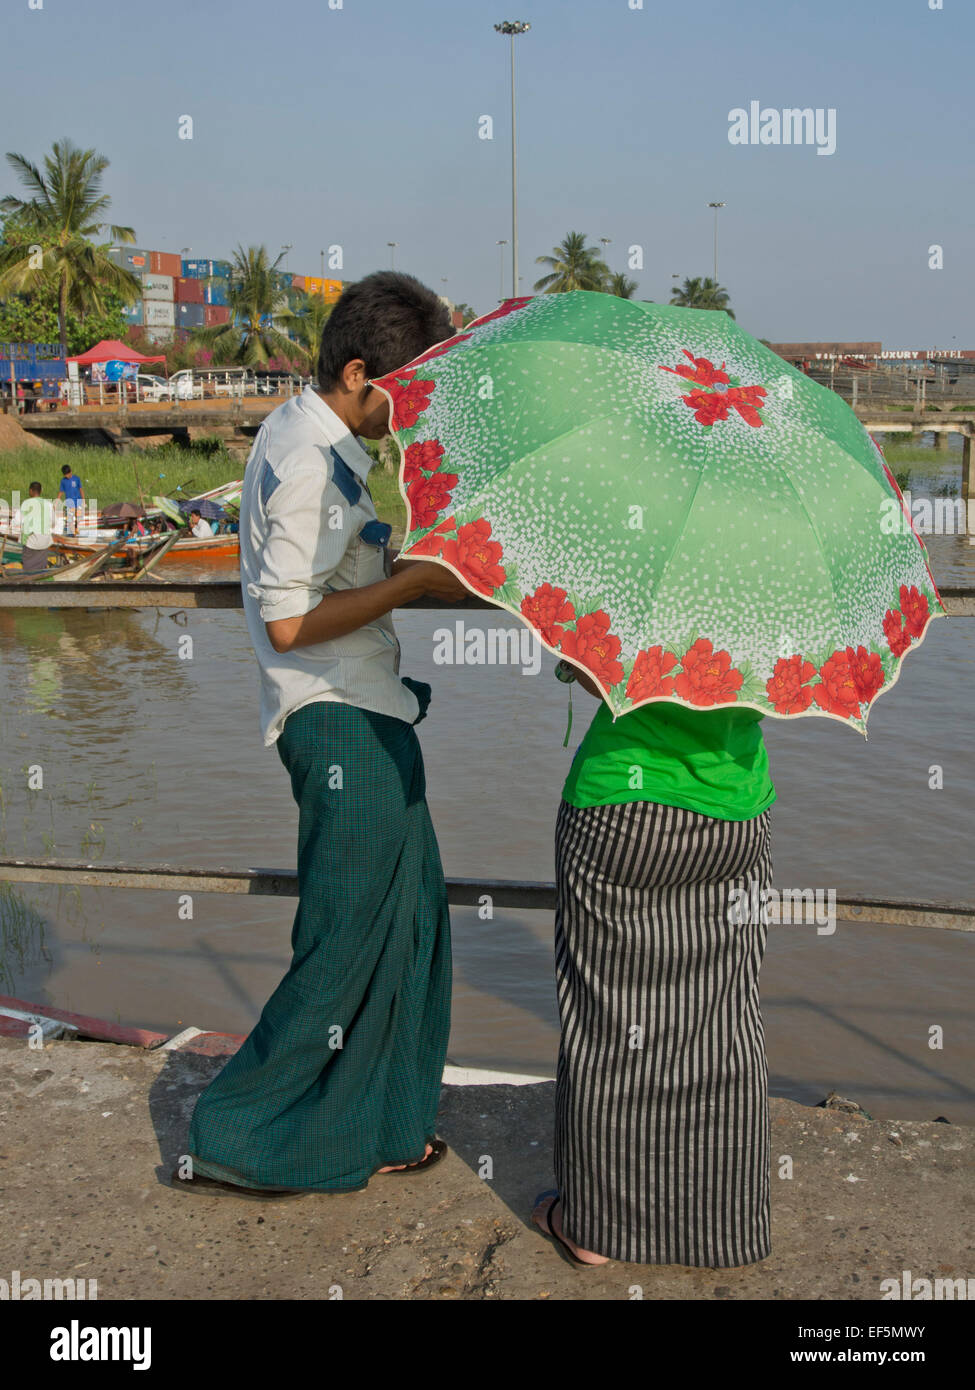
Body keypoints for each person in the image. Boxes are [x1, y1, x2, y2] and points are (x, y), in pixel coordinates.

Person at [181, 271, 467, 1197]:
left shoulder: (313, 432)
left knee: (408, 922)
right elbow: (289, 623)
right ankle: (239, 1130)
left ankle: (381, 1124)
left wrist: (425, 570)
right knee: (345, 938)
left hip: (370, 708)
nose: (410, 412)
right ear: (356, 371)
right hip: (335, 720)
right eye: (404, 391)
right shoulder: (310, 460)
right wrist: (412, 588)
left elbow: (339, 568)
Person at [533, 660, 776, 1268]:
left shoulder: (635, 563)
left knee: (609, 1014)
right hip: (735, 807)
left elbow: (599, 674)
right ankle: (724, 1225)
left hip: (621, 804)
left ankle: (592, 1230)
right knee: (723, 1015)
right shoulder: (781, 580)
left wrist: (569, 662)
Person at [18, 481, 54, 575]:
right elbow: (53, 522)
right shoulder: (49, 504)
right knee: (40, 566)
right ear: (41, 491)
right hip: (45, 541)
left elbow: (18, 520)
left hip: (31, 542)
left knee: (28, 567)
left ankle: (28, 580)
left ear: (30, 491)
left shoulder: (26, 503)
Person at [58, 464, 84, 536]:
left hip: (78, 501)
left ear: (71, 471)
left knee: (78, 517)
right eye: (65, 475)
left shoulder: (76, 479)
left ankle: (76, 529)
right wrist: (57, 500)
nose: (67, 476)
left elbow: (80, 489)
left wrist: (83, 500)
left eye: (68, 474)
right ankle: (72, 533)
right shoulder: (63, 481)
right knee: (70, 518)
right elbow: (61, 491)